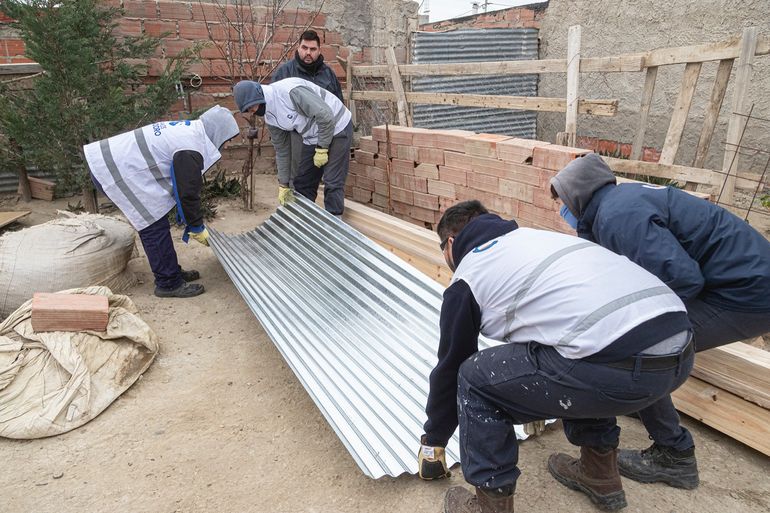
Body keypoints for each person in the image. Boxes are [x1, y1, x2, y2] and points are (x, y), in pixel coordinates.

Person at [418, 200, 694, 513]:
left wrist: (434, 438)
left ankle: (490, 506)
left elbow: (451, 366)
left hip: (617, 369)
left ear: (451, 243)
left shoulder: (468, 276)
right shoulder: (538, 240)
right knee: (580, 347)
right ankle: (599, 474)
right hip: (680, 349)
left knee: (473, 378)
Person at [549, 153, 770, 490]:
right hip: (743, 280)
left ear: (578, 196)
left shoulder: (618, 215)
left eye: (561, 201)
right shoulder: (617, 205)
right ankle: (644, 399)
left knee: (645, 351)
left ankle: (674, 453)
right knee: (634, 340)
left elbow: (684, 279)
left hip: (748, 294)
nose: (560, 210)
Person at [83, 105, 240, 298]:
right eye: (227, 138)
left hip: (116, 164)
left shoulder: (191, 132)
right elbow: (187, 192)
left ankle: (170, 270)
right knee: (152, 224)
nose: (226, 143)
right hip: (116, 170)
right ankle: (168, 283)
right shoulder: (190, 147)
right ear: (218, 132)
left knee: (156, 220)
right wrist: (196, 227)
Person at [233, 77, 353, 215]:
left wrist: (322, 148)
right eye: (248, 110)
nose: (252, 111)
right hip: (313, 136)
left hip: (338, 126)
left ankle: (334, 225)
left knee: (332, 181)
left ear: (259, 95)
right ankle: (303, 222)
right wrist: (283, 184)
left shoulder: (290, 93)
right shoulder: (271, 118)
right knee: (303, 182)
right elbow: (282, 151)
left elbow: (325, 116)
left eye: (252, 106)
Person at [270, 30, 345, 202]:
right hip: (300, 138)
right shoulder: (285, 73)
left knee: (333, 181)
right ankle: (301, 220)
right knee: (301, 181)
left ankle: (333, 222)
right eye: (304, 48)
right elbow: (274, 104)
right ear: (298, 48)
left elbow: (338, 103)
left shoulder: (328, 74)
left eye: (313, 49)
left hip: (329, 135)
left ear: (319, 50)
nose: (308, 53)